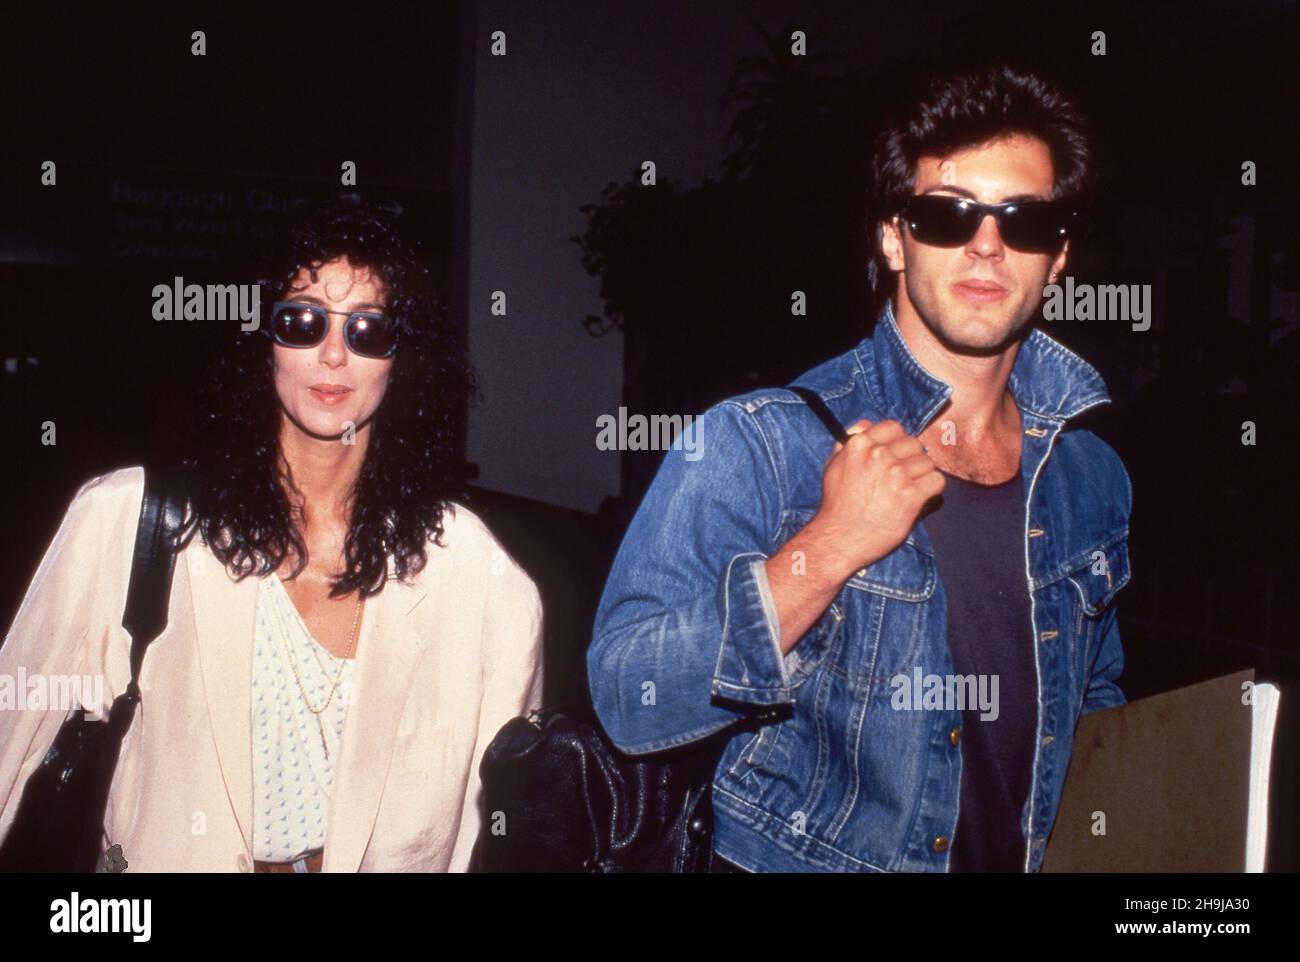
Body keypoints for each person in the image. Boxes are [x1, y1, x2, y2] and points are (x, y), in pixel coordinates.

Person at [588, 64, 1132, 873]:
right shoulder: (760, 443)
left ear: (1058, 257)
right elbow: (630, 695)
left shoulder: (1090, 475)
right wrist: (832, 544)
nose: (987, 244)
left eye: (1022, 220)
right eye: (947, 215)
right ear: (892, 238)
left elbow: (1093, 703)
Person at [0, 198, 544, 872]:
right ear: (262, 341)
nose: (335, 353)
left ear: (404, 359)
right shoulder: (128, 523)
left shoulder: (468, 569)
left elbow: (498, 830)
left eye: (369, 329)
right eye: (303, 321)